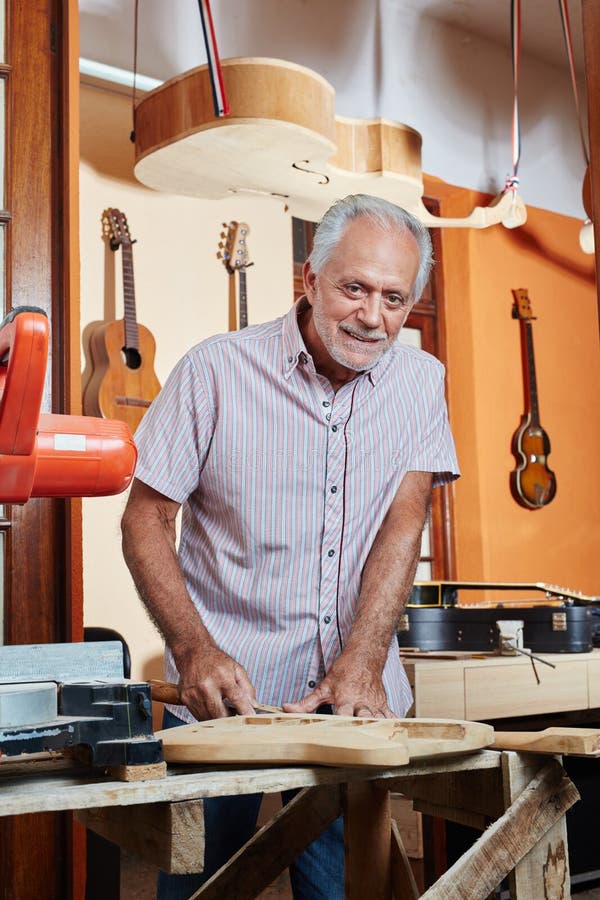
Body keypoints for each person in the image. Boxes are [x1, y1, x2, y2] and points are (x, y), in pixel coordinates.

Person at [121, 193, 460, 898]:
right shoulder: (214, 370)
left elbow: (405, 519)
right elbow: (144, 521)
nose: (372, 316)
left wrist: (367, 656)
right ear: (309, 279)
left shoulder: (423, 381)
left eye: (395, 298)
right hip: (219, 708)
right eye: (354, 287)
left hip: (353, 709)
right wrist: (193, 649)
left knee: (344, 890)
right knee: (198, 888)